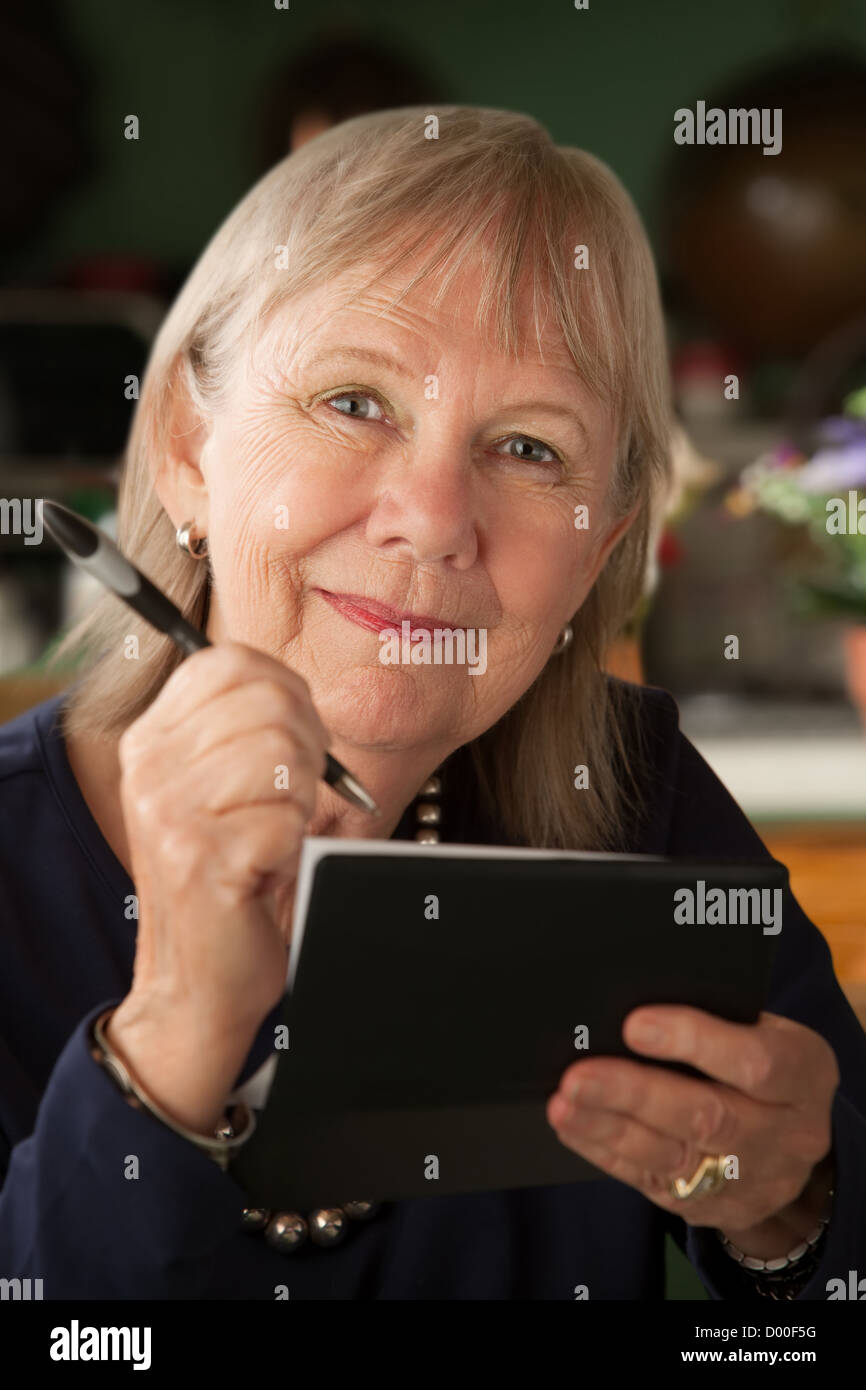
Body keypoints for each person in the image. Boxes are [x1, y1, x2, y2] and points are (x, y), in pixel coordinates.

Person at [0, 105, 863, 1301]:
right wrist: (180, 1022)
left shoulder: (634, 799)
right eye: (353, 402)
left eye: (527, 449)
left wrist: (792, 1209)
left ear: (598, 544)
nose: (434, 515)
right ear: (189, 445)